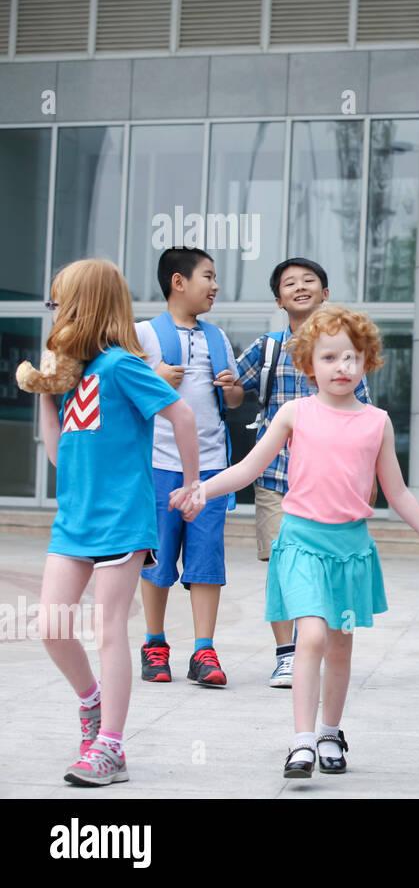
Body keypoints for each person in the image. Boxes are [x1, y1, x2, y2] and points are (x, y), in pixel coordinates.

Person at [173, 305, 419, 778]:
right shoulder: (294, 413)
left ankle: (329, 732)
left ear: (366, 361)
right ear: (308, 364)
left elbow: (398, 492)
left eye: (351, 357)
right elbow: (249, 468)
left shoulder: (377, 422)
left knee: (340, 646)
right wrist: (203, 489)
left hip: (350, 553)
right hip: (301, 543)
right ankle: (301, 741)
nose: (341, 367)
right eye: (329, 357)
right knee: (314, 637)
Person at [28, 259, 200, 785]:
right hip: (73, 522)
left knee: (109, 631)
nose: (54, 313)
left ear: (85, 306)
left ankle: (110, 747)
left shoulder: (121, 366)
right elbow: (57, 456)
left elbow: (182, 414)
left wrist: (192, 483)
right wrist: (47, 393)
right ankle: (92, 703)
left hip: (122, 521)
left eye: (59, 303)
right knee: (51, 625)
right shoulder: (74, 376)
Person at [233, 258, 371, 688]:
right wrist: (225, 384)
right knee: (282, 565)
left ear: (325, 293)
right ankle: (287, 655)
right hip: (276, 475)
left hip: (329, 484)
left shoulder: (345, 350)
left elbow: (364, 413)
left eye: (309, 280)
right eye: (289, 283)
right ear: (279, 300)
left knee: (325, 568)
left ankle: (316, 645)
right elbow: (235, 390)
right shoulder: (268, 348)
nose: (300, 287)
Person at [134, 247, 242, 687]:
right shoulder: (143, 334)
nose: (215, 286)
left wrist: (231, 388)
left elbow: (234, 400)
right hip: (158, 465)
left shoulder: (218, 338)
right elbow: (123, 394)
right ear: (178, 282)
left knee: (207, 558)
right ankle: (154, 643)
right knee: (156, 557)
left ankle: (204, 650)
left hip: (211, 469)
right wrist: (155, 379)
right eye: (207, 276)